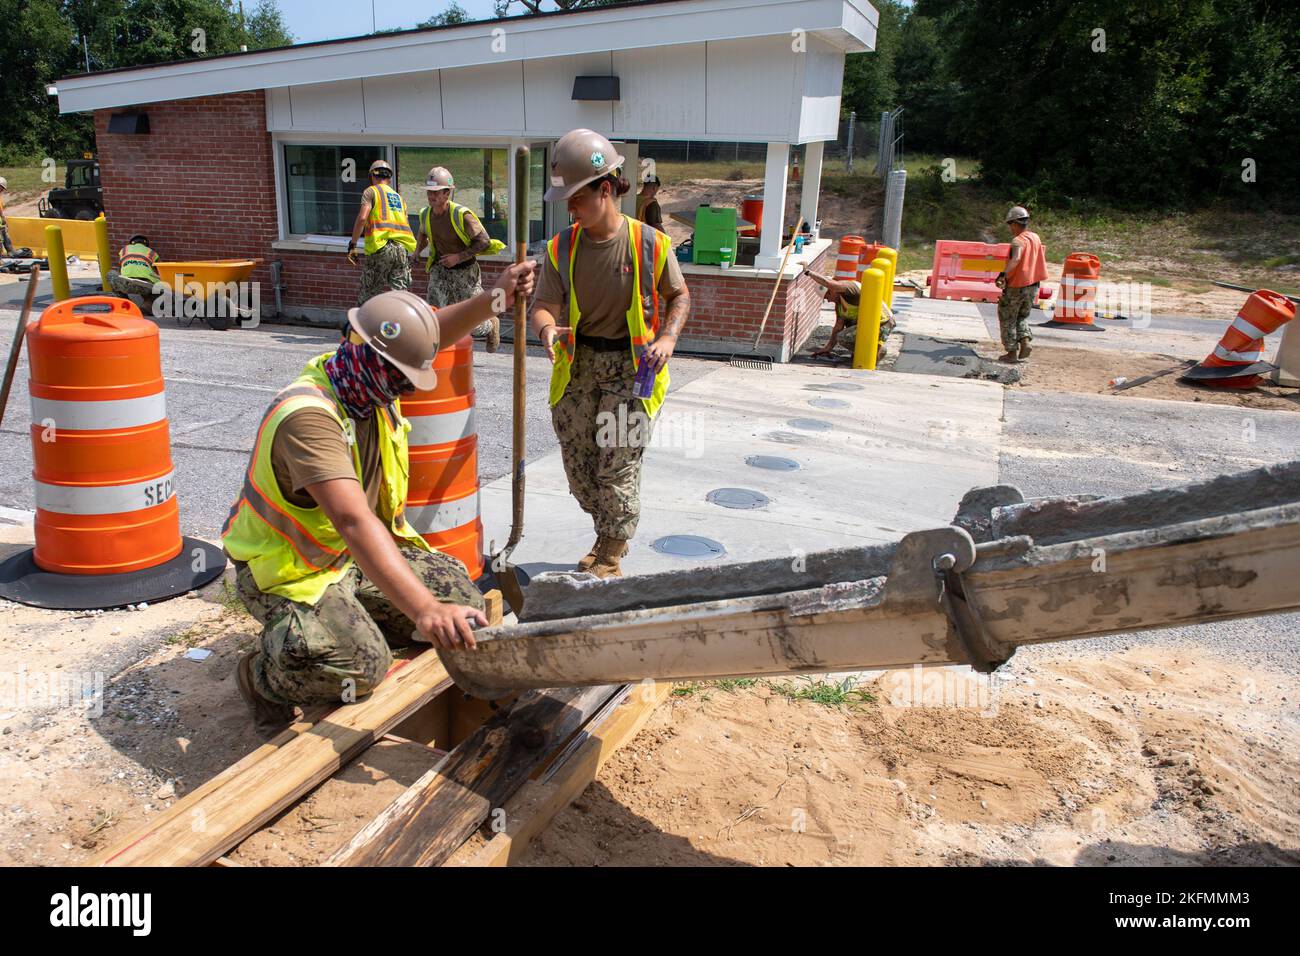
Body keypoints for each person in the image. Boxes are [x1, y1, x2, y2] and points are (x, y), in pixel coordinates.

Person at [223, 263, 536, 736]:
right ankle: (263, 677)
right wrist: (423, 612)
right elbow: (352, 520)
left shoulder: (368, 385)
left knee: (460, 600)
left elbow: (426, 335)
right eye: (402, 378)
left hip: (349, 559)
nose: (407, 389)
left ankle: (354, 618)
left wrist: (495, 299)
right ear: (370, 357)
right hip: (288, 572)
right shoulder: (309, 418)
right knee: (358, 665)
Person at [530, 129, 690, 579]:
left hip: (632, 368)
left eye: (576, 197)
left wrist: (668, 339)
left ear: (605, 189)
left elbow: (679, 296)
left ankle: (612, 554)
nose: (569, 207)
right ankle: (604, 533)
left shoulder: (649, 244)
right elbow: (544, 305)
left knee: (617, 463)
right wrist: (545, 330)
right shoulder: (562, 247)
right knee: (580, 467)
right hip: (579, 368)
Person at [414, 166, 506, 352]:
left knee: (470, 321)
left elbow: (484, 242)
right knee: (435, 313)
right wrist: (416, 252)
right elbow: (423, 233)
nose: (431, 196)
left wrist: (458, 257)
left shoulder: (461, 215)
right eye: (429, 192)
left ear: (447, 193)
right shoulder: (426, 213)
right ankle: (438, 351)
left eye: (436, 192)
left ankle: (491, 325)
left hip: (465, 272)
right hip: (440, 269)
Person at [347, 159, 416, 306]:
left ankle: (363, 327)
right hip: (401, 250)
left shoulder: (371, 191)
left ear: (372, 176)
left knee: (369, 295)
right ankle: (402, 326)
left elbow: (363, 218)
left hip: (380, 248)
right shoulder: (400, 199)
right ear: (390, 179)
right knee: (401, 296)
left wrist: (353, 244)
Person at [995, 205, 1047, 363]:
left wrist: (1003, 274)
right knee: (1021, 316)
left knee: (1007, 316)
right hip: (1032, 285)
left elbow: (1016, 258)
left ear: (1014, 223)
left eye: (1010, 224)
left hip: (1017, 285)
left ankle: (1011, 352)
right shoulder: (1035, 237)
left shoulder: (1018, 241)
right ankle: (1025, 341)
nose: (1010, 228)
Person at [808, 272, 894, 362]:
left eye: (827, 297)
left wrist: (809, 272)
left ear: (832, 290)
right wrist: (828, 347)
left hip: (883, 323)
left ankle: (874, 351)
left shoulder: (851, 288)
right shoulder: (839, 305)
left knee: (844, 338)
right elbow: (838, 327)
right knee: (846, 330)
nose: (829, 301)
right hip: (869, 325)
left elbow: (830, 284)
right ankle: (870, 350)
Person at [106, 234, 163, 312]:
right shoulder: (152, 253)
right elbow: (161, 271)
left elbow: (121, 267)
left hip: (125, 283)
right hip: (144, 286)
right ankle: (147, 305)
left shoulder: (124, 250)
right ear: (146, 244)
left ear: (131, 243)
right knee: (162, 284)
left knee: (110, 274)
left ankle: (125, 304)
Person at [0, 177, 14, 255]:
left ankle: (10, 252)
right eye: (1, 188)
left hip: (1, 223)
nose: (2, 190)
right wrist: (3, 218)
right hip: (0, 222)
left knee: (5, 236)